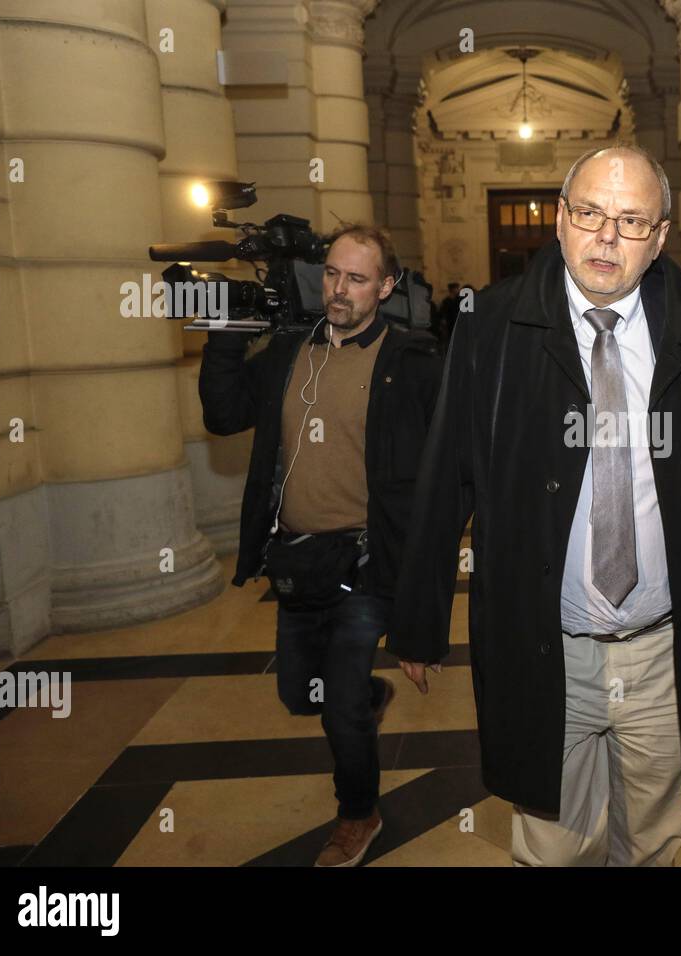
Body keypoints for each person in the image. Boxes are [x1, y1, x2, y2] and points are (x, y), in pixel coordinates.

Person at [388, 143, 681, 866]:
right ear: (559, 219)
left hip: (664, 648)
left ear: (660, 237)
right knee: (554, 848)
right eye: (590, 213)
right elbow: (445, 477)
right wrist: (418, 622)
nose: (607, 237)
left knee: (652, 841)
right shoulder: (491, 325)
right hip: (544, 644)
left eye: (631, 220)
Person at [198, 224, 442, 867]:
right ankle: (366, 699)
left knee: (337, 708)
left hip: (364, 564)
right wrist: (226, 333)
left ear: (385, 287)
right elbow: (224, 415)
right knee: (298, 694)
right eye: (332, 273)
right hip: (297, 561)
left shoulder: (410, 363)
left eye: (357, 278)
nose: (339, 288)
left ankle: (358, 815)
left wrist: (420, 612)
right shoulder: (289, 352)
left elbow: (442, 477)